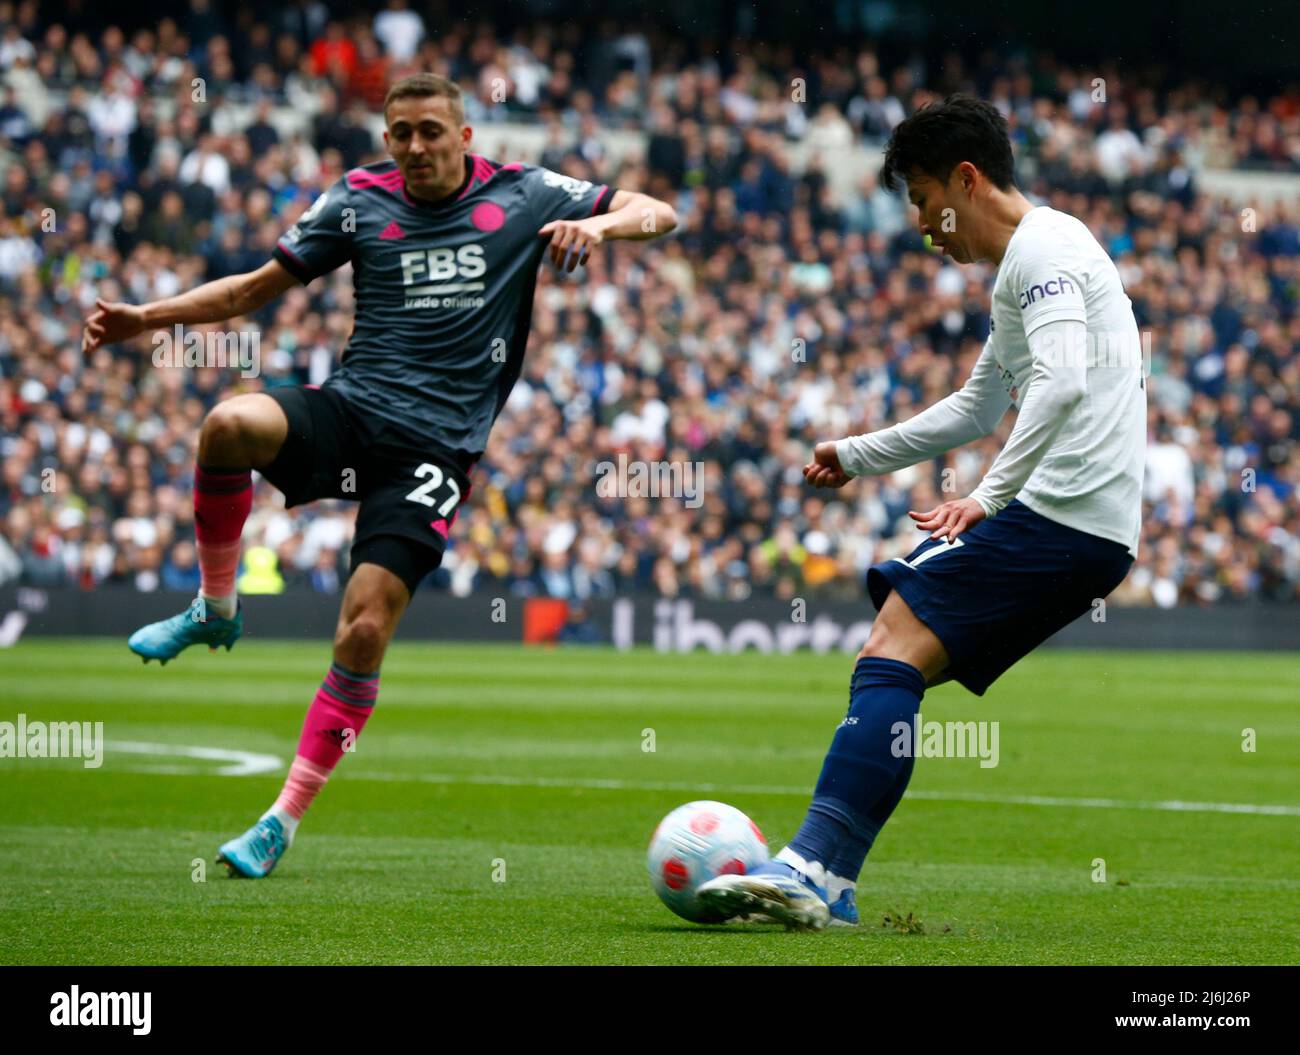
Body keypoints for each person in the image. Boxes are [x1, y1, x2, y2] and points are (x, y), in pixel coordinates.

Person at [81, 73, 677, 878]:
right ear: (387, 140)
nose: (416, 147)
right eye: (401, 134)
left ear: (465, 137)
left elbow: (659, 210)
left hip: (436, 450)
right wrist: (144, 319)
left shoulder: (529, 194)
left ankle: (280, 821)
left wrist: (600, 229)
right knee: (226, 424)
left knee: (362, 630)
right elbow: (255, 289)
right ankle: (216, 607)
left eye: (432, 131)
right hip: (353, 410)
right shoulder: (358, 200)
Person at [698, 95, 1144, 929]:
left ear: (966, 180)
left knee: (892, 638)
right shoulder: (1032, 259)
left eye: (921, 197)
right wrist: (858, 452)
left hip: (1066, 513)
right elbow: (981, 404)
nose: (920, 222)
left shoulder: (1043, 247)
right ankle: (824, 871)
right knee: (898, 659)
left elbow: (1063, 381)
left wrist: (986, 496)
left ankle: (817, 870)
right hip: (1086, 522)